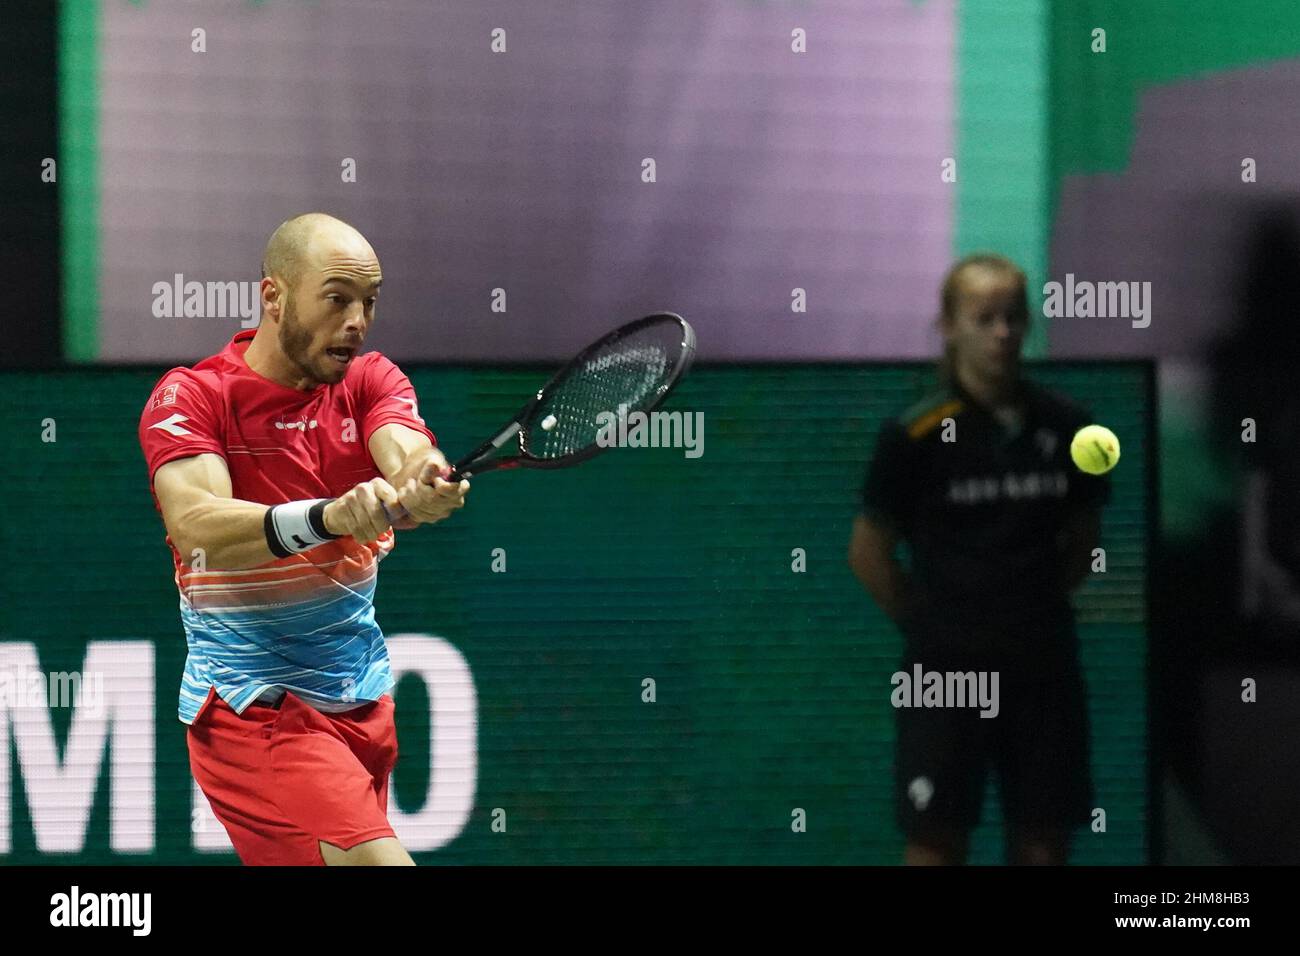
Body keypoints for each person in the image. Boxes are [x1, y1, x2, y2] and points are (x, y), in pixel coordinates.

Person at [138, 213, 468, 865]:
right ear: (274, 297)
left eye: (369, 303)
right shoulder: (195, 396)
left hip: (362, 705)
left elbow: (404, 451)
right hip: (255, 712)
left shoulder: (371, 381)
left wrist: (421, 478)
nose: (357, 320)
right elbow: (197, 525)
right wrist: (326, 518)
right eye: (337, 298)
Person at [848, 253, 1110, 865]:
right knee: (936, 837)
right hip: (944, 674)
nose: (1002, 333)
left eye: (1014, 318)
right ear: (949, 326)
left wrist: (1024, 608)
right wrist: (936, 625)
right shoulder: (913, 434)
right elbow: (867, 554)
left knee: (1044, 838)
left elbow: (1083, 540)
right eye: (984, 318)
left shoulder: (1073, 429)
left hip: (1043, 665)